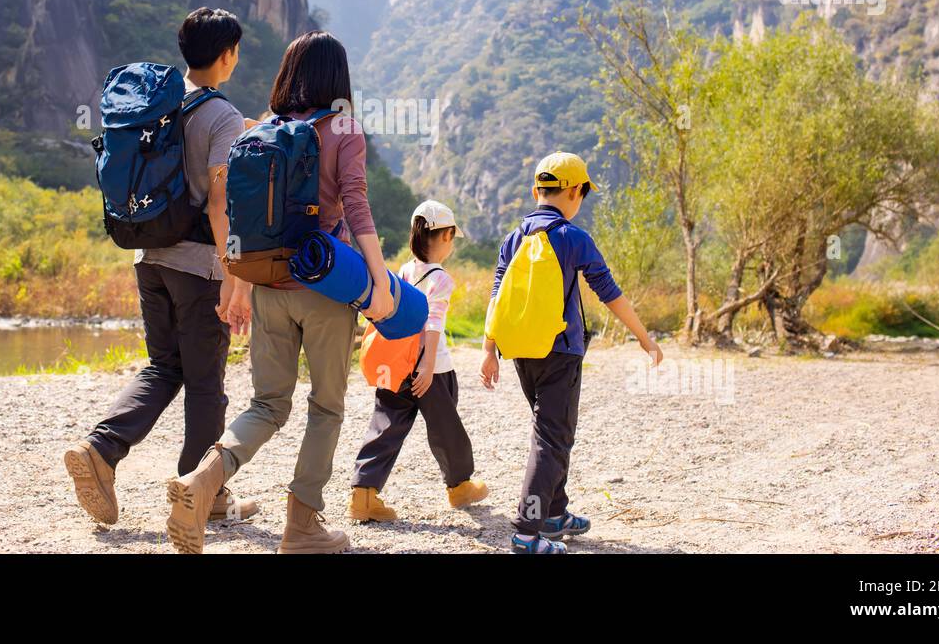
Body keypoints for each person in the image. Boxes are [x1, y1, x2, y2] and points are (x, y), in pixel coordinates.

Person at [166, 31, 394, 554]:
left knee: (268, 403)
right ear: (338, 78)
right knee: (327, 406)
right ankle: (302, 525)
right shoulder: (343, 128)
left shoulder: (264, 129)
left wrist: (240, 280)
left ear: (289, 74)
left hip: (268, 282)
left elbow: (240, 209)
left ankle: (203, 481)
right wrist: (379, 280)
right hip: (325, 284)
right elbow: (356, 206)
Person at [63, 7, 258, 528]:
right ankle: (203, 494)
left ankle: (101, 449)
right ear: (227, 54)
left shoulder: (167, 108)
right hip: (199, 267)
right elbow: (220, 206)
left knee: (164, 367)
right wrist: (234, 278)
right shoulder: (223, 117)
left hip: (150, 260)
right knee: (205, 384)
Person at [481, 152, 663, 554]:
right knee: (552, 437)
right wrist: (645, 339)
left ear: (536, 192)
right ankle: (528, 532)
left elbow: (496, 294)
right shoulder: (573, 238)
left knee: (552, 430)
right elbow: (610, 293)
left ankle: (553, 514)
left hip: (521, 353)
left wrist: (488, 350)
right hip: (561, 352)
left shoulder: (514, 237)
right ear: (575, 192)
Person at [348, 200, 489, 523]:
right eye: (453, 236)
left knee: (386, 423)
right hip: (432, 369)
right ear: (445, 236)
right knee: (446, 429)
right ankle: (460, 487)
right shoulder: (440, 279)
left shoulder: (405, 271)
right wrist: (426, 366)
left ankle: (363, 494)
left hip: (396, 362)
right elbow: (434, 324)